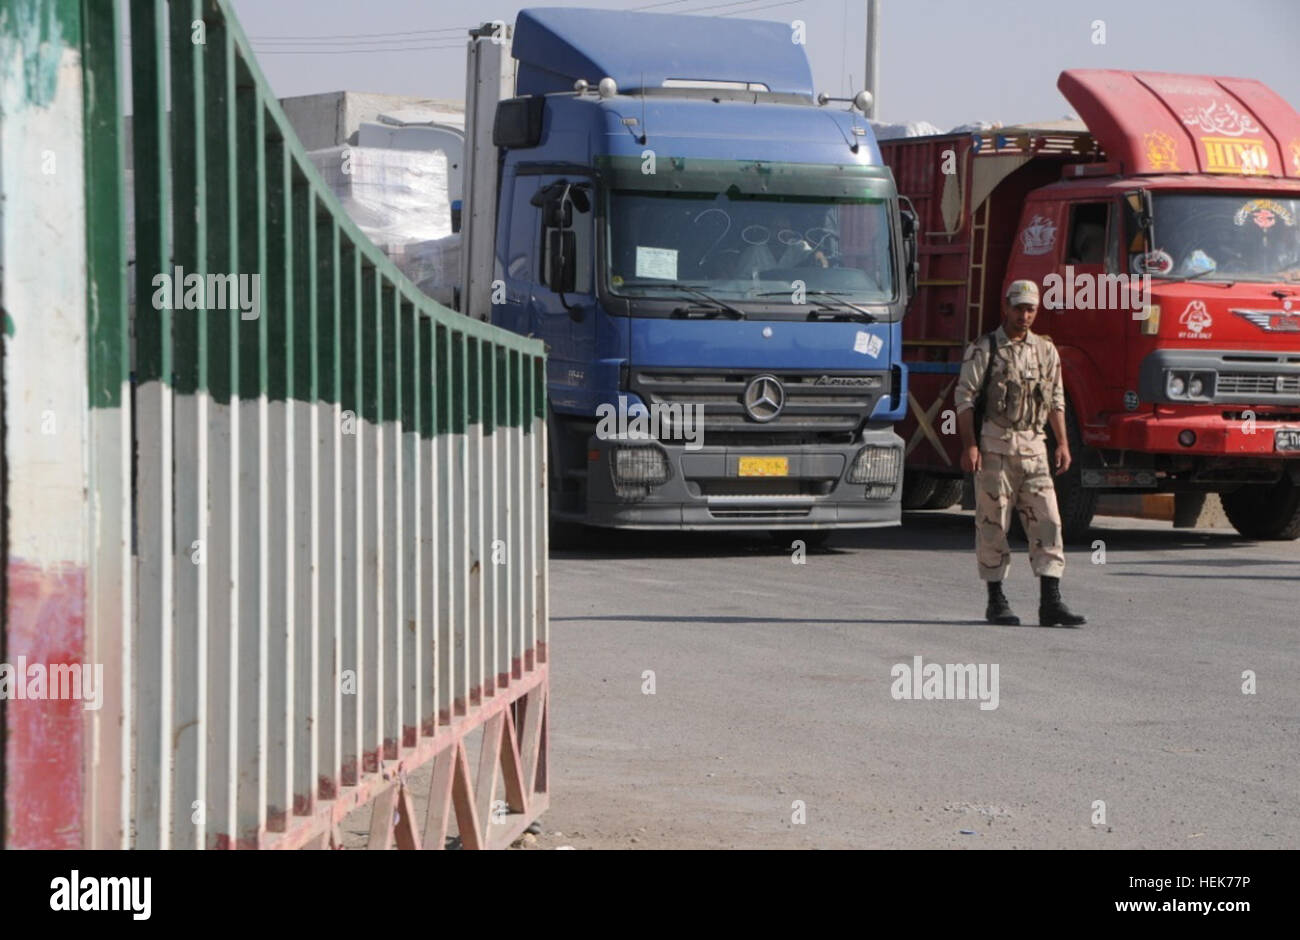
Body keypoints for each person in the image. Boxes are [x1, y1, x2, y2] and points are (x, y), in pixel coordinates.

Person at [954, 280, 1087, 627]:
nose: (1024, 315)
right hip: (995, 448)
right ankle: (996, 601)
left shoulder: (1045, 351)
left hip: (1034, 449)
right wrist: (969, 445)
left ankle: (1050, 602)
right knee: (993, 523)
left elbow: (1055, 399)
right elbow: (964, 399)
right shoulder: (986, 348)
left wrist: (1062, 443)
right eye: (1019, 308)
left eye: (1030, 309)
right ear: (1006, 307)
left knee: (1049, 521)